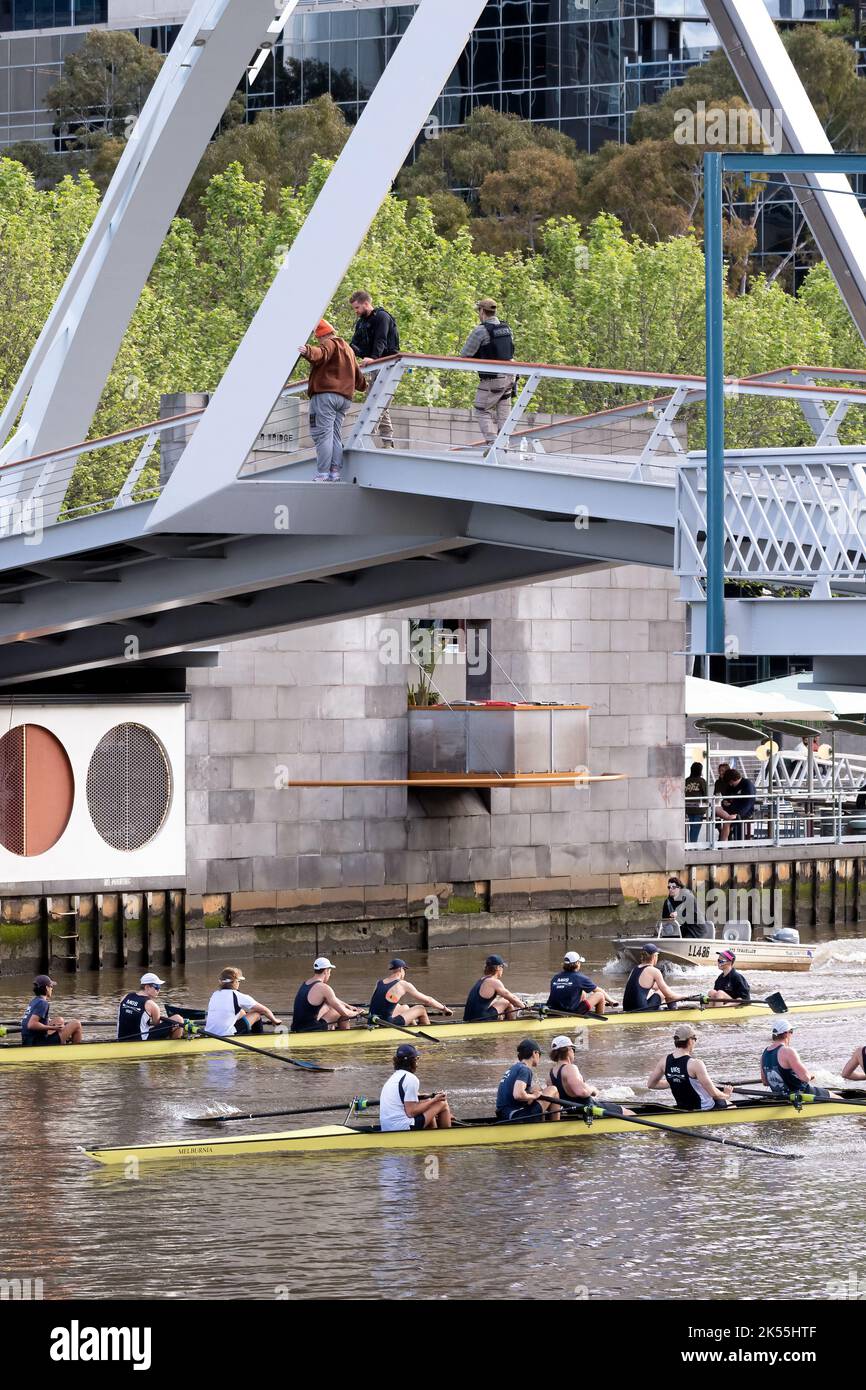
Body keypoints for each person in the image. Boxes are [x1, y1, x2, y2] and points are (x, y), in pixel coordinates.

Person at [298, 319, 368, 482]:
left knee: (323, 434)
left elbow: (320, 354)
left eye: (319, 339)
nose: (319, 342)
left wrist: (307, 350)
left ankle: (322, 472)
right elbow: (360, 380)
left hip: (326, 396)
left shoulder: (330, 343)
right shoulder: (349, 350)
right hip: (344, 399)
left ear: (323, 335)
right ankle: (334, 471)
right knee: (335, 435)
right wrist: (365, 385)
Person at [459, 297, 516, 445]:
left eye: (479, 311)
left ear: (482, 311)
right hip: (511, 376)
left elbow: (465, 354)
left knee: (481, 409)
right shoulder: (506, 328)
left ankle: (492, 443)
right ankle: (504, 444)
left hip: (494, 379)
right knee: (503, 411)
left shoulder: (481, 330)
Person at [349, 290, 399, 447]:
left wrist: (374, 358)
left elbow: (381, 339)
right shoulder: (362, 322)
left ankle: (366, 436)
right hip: (375, 365)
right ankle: (388, 442)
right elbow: (355, 344)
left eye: (357, 308)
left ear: (366, 303)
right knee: (378, 401)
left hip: (389, 364)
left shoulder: (382, 317)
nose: (356, 312)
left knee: (377, 401)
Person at [647, 1023, 733, 1110]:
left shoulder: (664, 1061)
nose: (695, 1042)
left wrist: (676, 1080)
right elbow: (714, 1094)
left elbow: (651, 1084)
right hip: (704, 1108)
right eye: (695, 1039)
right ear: (690, 1041)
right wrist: (727, 1094)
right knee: (731, 1105)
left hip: (683, 1108)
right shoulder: (696, 1064)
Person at [548, 1035, 634, 1117]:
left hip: (571, 1110)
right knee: (627, 1112)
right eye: (573, 1049)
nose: (574, 1052)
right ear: (569, 1049)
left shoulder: (550, 1074)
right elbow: (582, 1092)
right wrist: (593, 1089)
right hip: (589, 1108)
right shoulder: (570, 1068)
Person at [378, 1043, 452, 1132]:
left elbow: (416, 1099)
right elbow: (411, 1112)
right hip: (402, 1127)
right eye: (417, 1059)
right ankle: (444, 1137)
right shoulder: (411, 1078)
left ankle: (433, 1133)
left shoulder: (394, 1077)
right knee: (442, 1103)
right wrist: (435, 1100)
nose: (417, 1064)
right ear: (411, 1061)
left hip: (387, 1127)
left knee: (426, 1102)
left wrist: (431, 1102)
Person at [368, 958, 452, 1028]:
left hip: (373, 1020)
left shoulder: (379, 983)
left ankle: (414, 1028)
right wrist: (444, 1009)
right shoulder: (403, 984)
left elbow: (374, 1004)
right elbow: (428, 1000)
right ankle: (428, 1033)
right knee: (421, 1008)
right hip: (388, 1023)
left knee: (404, 1007)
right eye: (405, 970)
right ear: (401, 969)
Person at [760, 1018, 831, 1100]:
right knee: (837, 1097)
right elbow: (806, 1078)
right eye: (791, 1031)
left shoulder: (764, 1053)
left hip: (779, 1096)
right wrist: (811, 1075)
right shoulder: (787, 1051)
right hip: (800, 1095)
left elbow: (765, 1082)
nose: (792, 1035)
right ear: (786, 1033)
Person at [204, 966, 282, 1037]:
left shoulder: (215, 994)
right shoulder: (238, 996)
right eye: (239, 981)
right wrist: (274, 1020)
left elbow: (239, 1013)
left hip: (209, 1033)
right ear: (235, 982)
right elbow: (264, 1010)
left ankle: (247, 1033)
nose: (239, 984)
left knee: (242, 1012)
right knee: (257, 1014)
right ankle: (258, 1038)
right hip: (226, 1035)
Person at [290, 957, 362, 1032]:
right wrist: (356, 1013)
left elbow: (334, 1000)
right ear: (326, 971)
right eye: (330, 972)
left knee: (328, 1006)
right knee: (342, 1013)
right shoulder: (324, 988)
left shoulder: (306, 983)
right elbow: (344, 1012)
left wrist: (348, 1005)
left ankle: (333, 1029)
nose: (329, 975)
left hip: (295, 1027)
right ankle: (346, 1037)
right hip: (311, 1029)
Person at [495, 1038, 558, 1122]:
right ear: (534, 1053)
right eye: (539, 1054)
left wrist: (534, 1093)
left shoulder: (514, 1068)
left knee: (536, 1088)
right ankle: (555, 1125)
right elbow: (518, 1095)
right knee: (553, 1089)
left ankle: (542, 1122)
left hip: (504, 1115)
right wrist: (534, 1096)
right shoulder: (525, 1069)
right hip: (515, 1116)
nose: (539, 1057)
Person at [546, 951, 617, 1018]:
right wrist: (611, 1001)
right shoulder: (580, 978)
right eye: (579, 962)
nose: (580, 964)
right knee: (600, 995)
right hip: (569, 1013)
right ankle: (599, 1020)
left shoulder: (555, 977)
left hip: (552, 1010)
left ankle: (585, 1012)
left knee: (582, 993)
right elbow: (600, 990)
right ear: (577, 963)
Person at [116, 973, 184, 1042]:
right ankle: (173, 1046)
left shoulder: (125, 997)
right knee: (178, 1020)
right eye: (157, 987)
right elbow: (156, 1025)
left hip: (120, 1039)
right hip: (140, 1042)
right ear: (147, 987)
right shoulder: (152, 1005)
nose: (159, 990)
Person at [20, 975, 83, 1047]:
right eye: (51, 987)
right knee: (77, 1024)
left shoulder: (34, 1001)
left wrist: (49, 1021)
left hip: (28, 1041)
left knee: (59, 1020)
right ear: (47, 988)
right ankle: (75, 1052)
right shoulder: (43, 1003)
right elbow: (31, 1025)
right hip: (38, 1043)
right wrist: (53, 1028)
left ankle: (62, 1044)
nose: (52, 989)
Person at [463, 954, 525, 1022]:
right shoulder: (494, 982)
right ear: (498, 968)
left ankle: (501, 1022)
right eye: (502, 967)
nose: (502, 970)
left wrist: (519, 1002)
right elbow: (512, 999)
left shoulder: (482, 980)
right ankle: (512, 1026)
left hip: (467, 1018)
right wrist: (524, 1007)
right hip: (479, 1019)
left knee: (499, 1001)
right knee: (507, 1002)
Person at [622, 944, 682, 1012]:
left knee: (660, 990)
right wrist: (685, 997)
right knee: (663, 992)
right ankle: (674, 1012)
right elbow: (669, 995)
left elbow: (653, 987)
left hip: (626, 1008)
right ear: (654, 956)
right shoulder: (654, 971)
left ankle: (659, 1009)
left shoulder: (634, 969)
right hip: (641, 1010)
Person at [723, 768, 756, 842]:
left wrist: (738, 814)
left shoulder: (747, 785)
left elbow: (748, 803)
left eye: (730, 782)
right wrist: (725, 803)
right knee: (724, 821)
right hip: (732, 811)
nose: (730, 784)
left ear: (732, 780)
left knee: (732, 822)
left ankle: (734, 842)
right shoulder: (731, 786)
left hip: (745, 812)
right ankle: (725, 841)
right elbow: (726, 798)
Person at [684, 761, 708, 843]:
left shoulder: (686, 780)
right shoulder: (701, 781)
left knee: (691, 826)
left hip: (687, 808)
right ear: (700, 770)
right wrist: (706, 806)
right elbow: (705, 795)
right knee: (695, 828)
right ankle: (692, 845)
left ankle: (691, 844)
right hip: (699, 808)